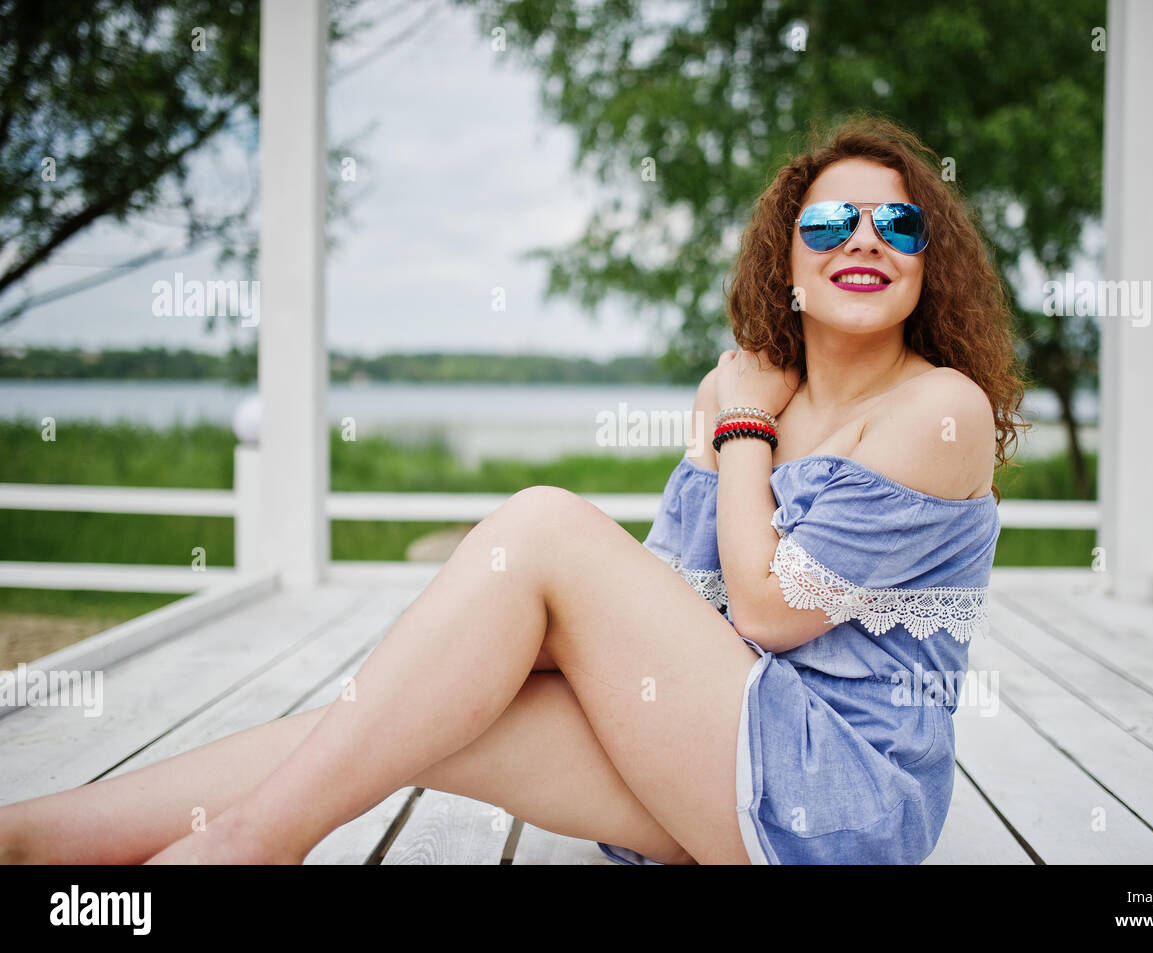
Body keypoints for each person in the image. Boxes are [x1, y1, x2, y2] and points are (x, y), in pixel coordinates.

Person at [0, 114, 1025, 865]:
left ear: (928, 265)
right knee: (402, 717)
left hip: (838, 799)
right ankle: (38, 841)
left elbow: (764, 608)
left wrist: (744, 428)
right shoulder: (741, 384)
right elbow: (679, 595)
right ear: (784, 260)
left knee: (539, 525)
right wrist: (502, 643)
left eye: (898, 225)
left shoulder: (940, 411)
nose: (863, 239)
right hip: (713, 758)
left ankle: (255, 849)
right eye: (831, 221)